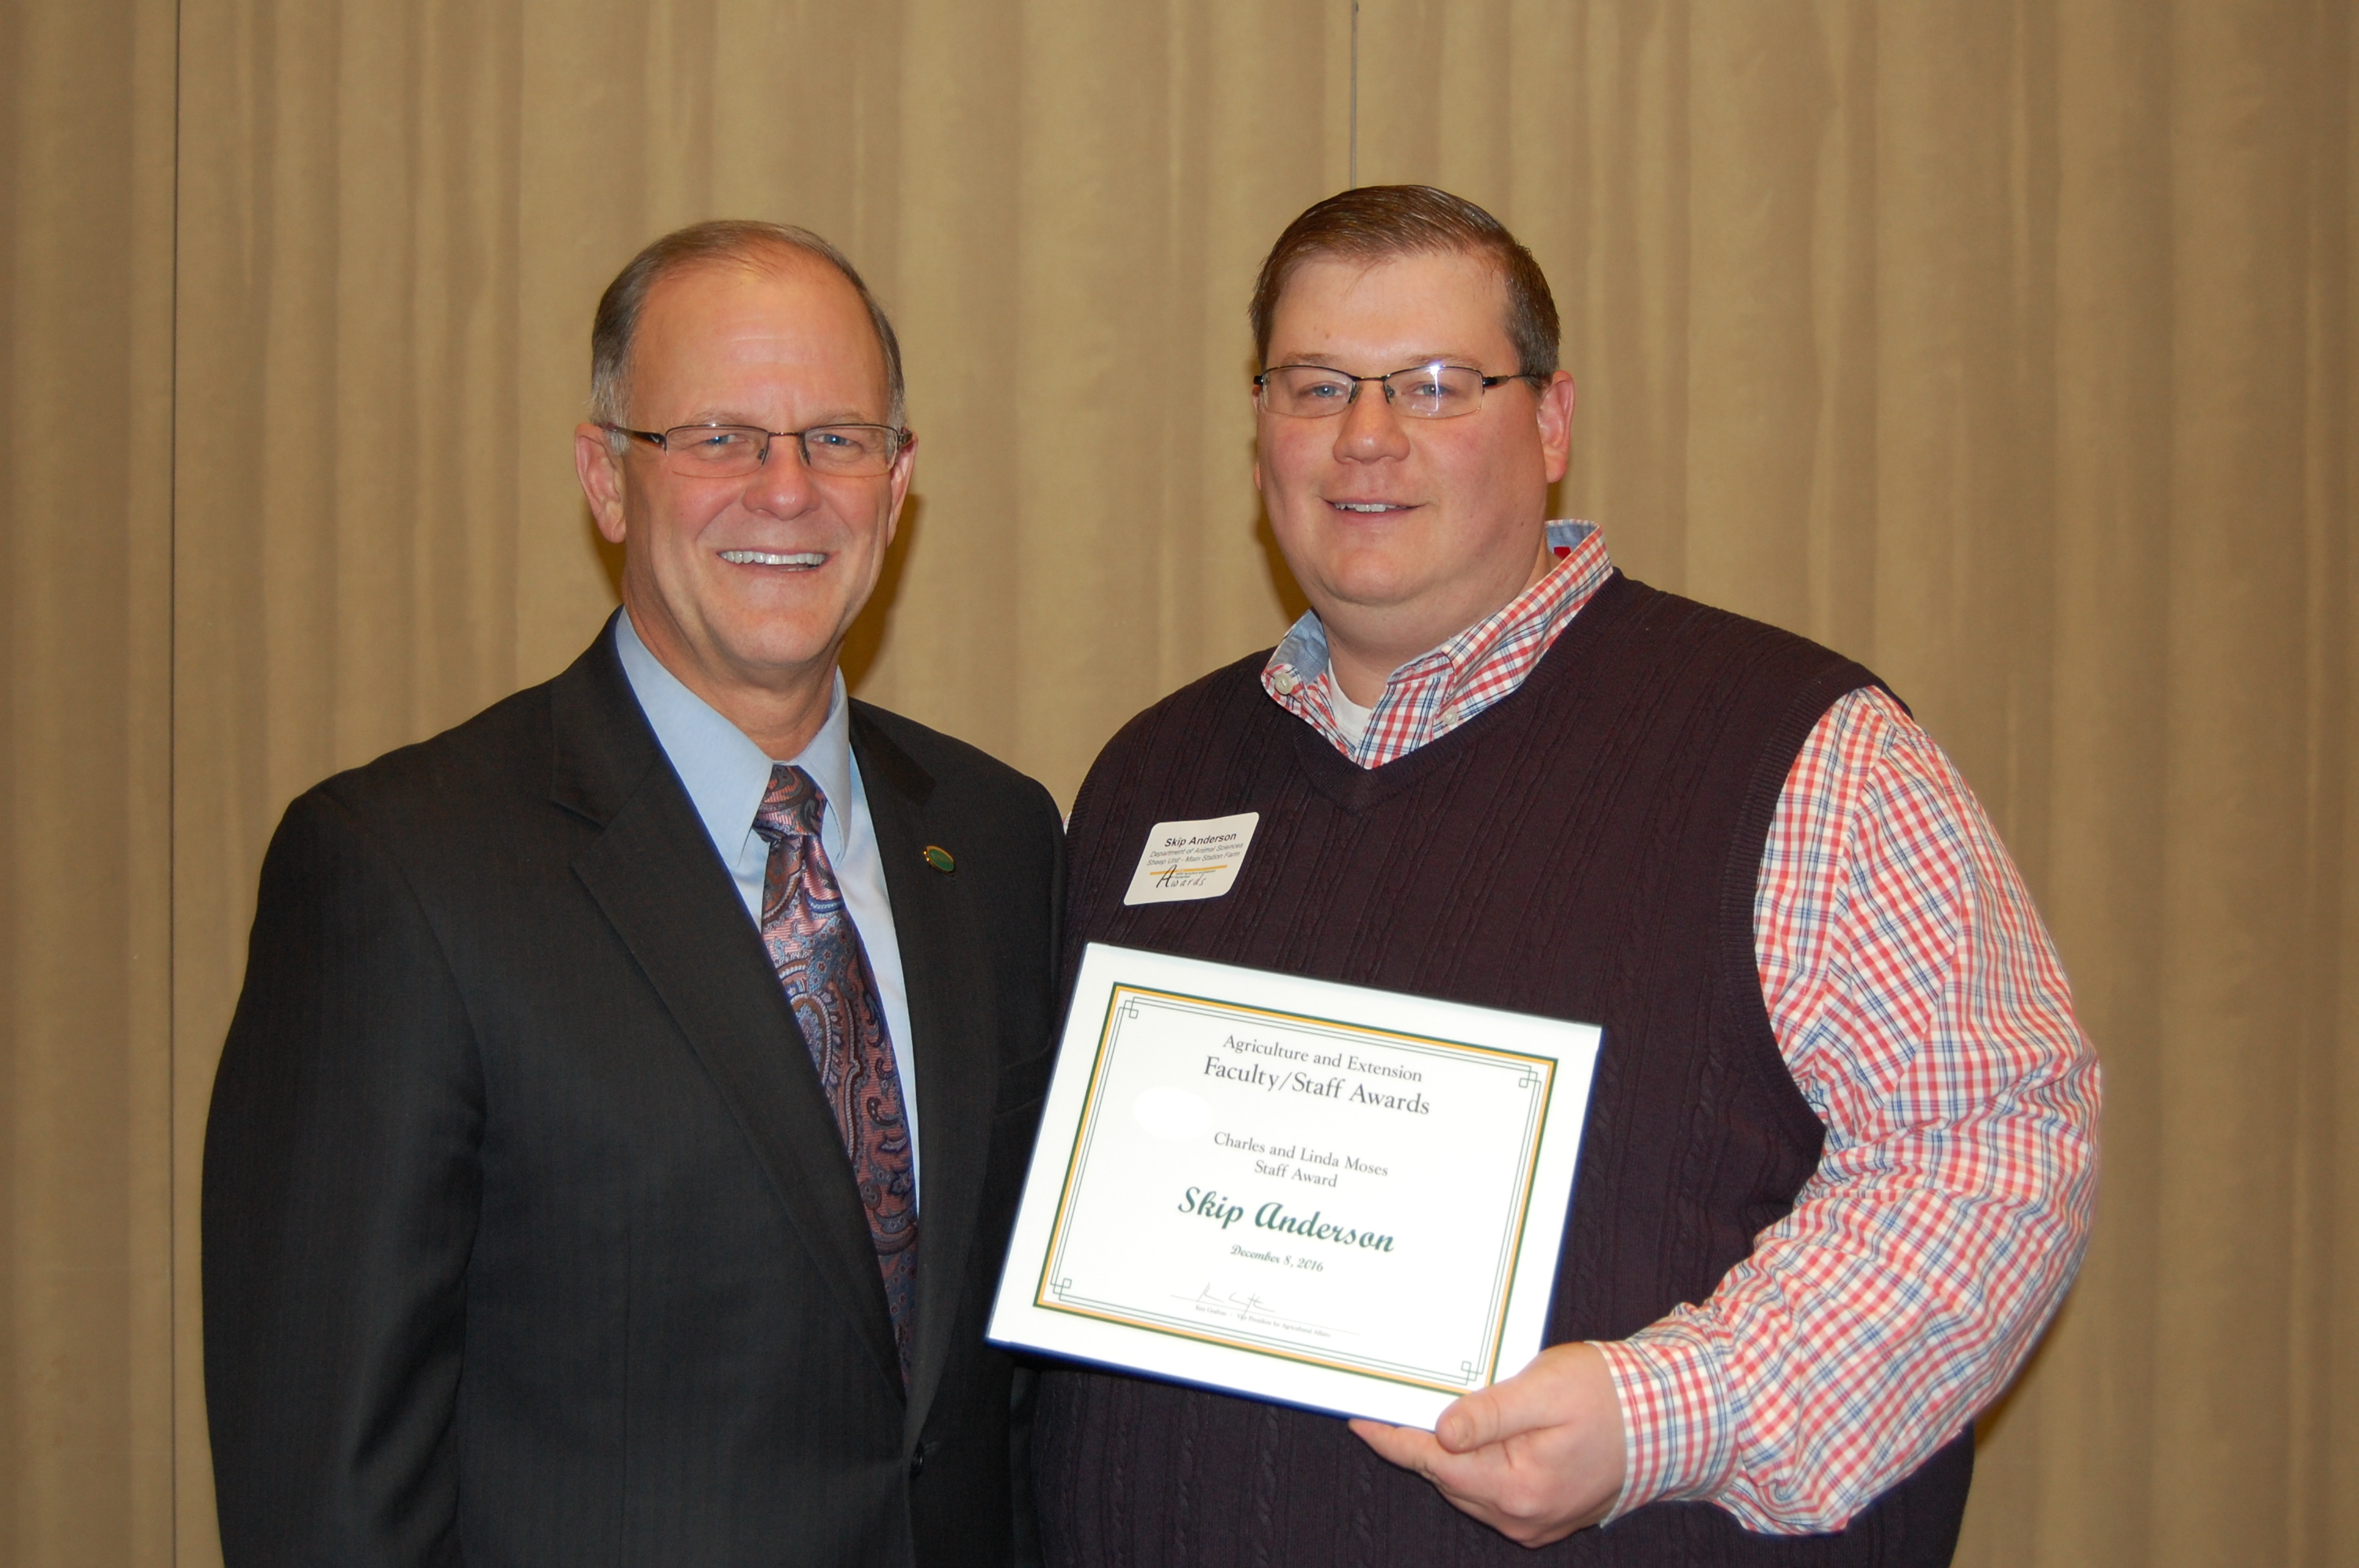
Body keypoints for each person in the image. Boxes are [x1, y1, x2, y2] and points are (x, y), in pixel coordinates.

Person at [1032, 186, 2099, 1566]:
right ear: (1260, 431)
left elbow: (1996, 1151)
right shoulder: (1151, 777)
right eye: (1315, 386)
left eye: (1434, 384)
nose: (1366, 436)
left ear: (1550, 423)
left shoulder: (1799, 752)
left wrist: (1668, 1414)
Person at [202, 220, 1063, 1566]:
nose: (787, 490)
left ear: (898, 484)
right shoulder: (398, 871)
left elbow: (1005, 1399)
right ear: (607, 477)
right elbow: (330, 1489)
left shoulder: (999, 840)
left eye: (837, 438)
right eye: (719, 437)